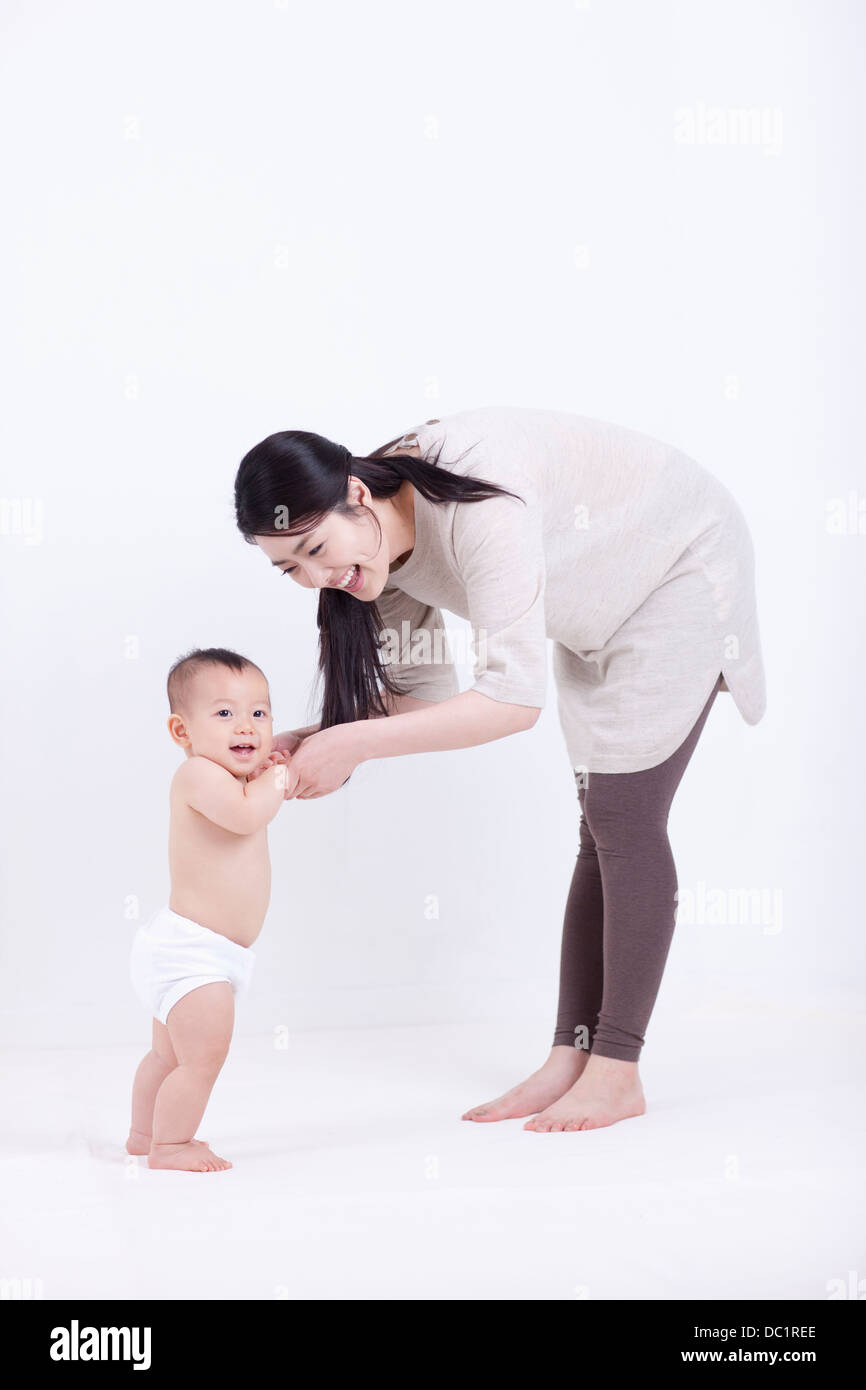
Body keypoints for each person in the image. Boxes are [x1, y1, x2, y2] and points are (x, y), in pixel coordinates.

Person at [234, 406, 767, 1132]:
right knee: (600, 828)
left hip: (676, 567)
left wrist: (351, 746)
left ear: (356, 494)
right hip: (598, 603)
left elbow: (513, 704)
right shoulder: (369, 563)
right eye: (289, 568)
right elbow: (422, 700)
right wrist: (316, 737)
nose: (315, 576)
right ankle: (572, 1057)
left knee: (622, 816)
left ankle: (617, 1071)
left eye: (316, 548)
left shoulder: (479, 494)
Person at [126, 647, 297, 1170]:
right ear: (183, 732)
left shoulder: (231, 778)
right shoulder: (199, 776)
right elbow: (246, 818)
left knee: (168, 1056)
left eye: (259, 713)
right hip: (194, 956)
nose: (246, 725)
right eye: (224, 713)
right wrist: (280, 779)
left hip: (193, 951)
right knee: (202, 1060)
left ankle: (142, 1134)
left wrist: (262, 775)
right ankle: (171, 1145)